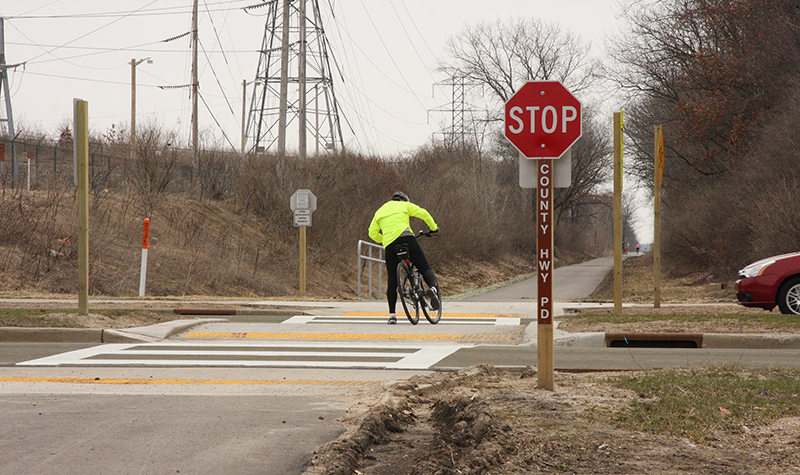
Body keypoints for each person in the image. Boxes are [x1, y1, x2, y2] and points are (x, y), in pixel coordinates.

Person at [368, 191, 440, 324]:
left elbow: (371, 232)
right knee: (424, 267)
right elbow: (423, 213)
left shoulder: (380, 211)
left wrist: (385, 240)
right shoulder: (405, 206)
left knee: (392, 279)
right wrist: (433, 228)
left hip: (390, 244)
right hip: (407, 238)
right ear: (403, 200)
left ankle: (392, 315)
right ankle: (433, 289)